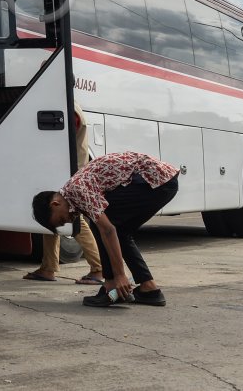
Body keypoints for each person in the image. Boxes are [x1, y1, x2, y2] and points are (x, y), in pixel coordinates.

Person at [32, 151, 179, 307]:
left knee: (106, 225)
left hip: (155, 179)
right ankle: (149, 289)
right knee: (119, 231)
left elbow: (108, 230)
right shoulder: (74, 192)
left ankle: (112, 284)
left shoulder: (76, 191)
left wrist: (120, 275)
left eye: (62, 219)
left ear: (55, 204)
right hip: (161, 181)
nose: (68, 221)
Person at [22, 106, 104, 285]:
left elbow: (59, 139)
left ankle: (99, 268)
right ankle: (48, 267)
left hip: (67, 170)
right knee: (50, 215)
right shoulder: (64, 102)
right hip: (60, 168)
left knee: (76, 220)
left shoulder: (65, 105)